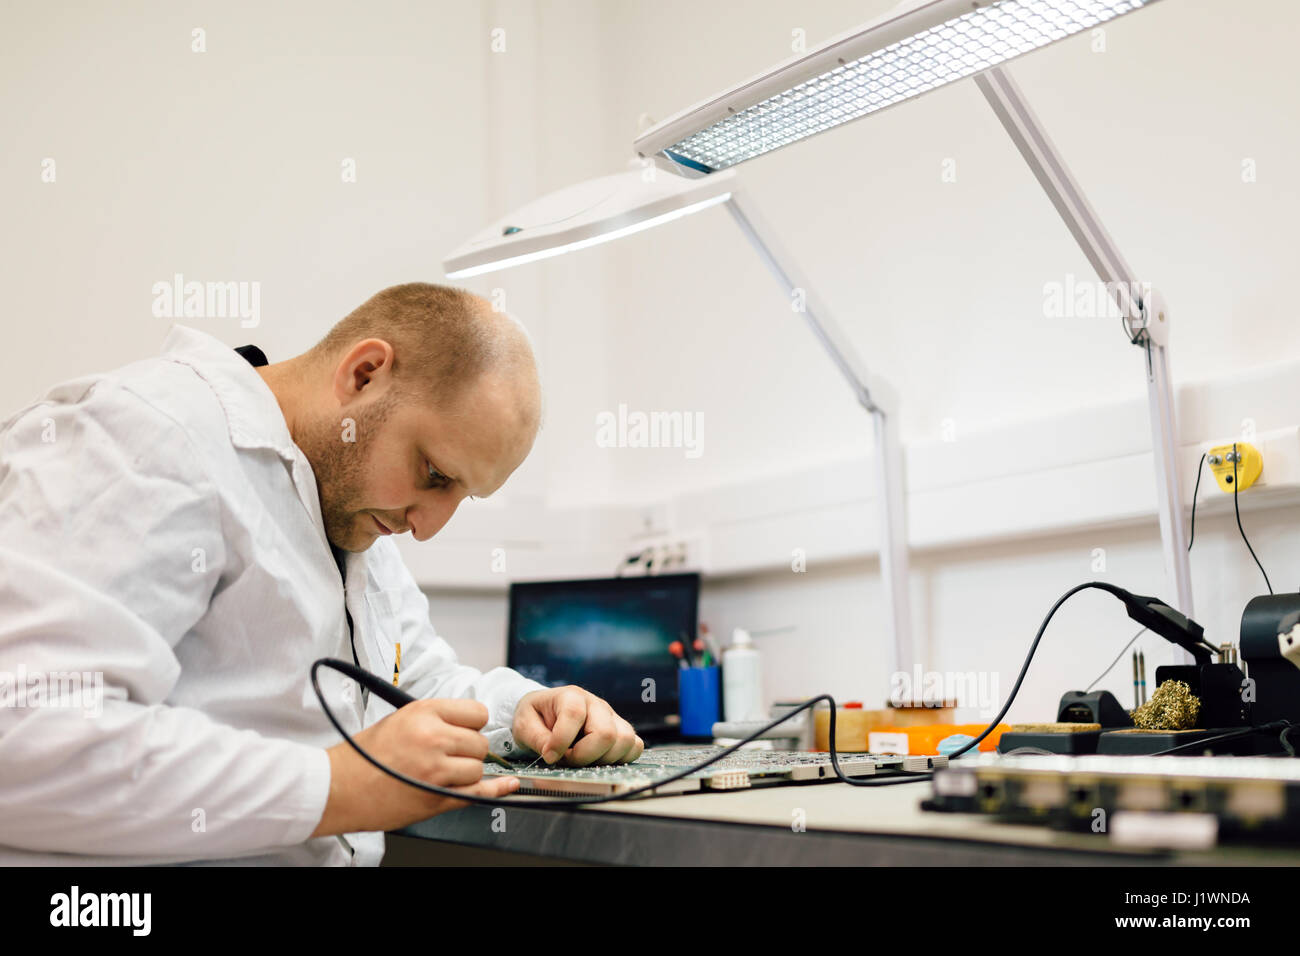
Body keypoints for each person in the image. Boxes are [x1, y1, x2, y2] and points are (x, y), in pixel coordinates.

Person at [0, 282, 643, 865]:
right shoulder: (146, 433)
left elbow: (410, 682)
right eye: (435, 474)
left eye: (461, 496)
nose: (429, 525)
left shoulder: (345, 508)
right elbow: (27, 733)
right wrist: (336, 786)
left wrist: (525, 711)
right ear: (364, 374)